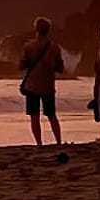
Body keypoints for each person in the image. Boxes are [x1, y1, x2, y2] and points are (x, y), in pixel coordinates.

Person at [19, 16, 65, 146]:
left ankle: (39, 144)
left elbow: (22, 66)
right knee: (52, 116)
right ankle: (58, 142)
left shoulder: (28, 46)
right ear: (49, 30)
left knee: (34, 117)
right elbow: (60, 68)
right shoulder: (55, 48)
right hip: (48, 85)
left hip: (32, 85)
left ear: (36, 29)